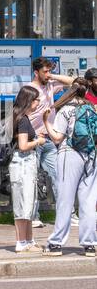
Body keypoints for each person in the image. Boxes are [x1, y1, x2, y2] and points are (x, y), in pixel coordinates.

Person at [44, 82, 97, 256]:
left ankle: (56, 243)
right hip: (92, 155)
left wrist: (46, 122)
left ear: (71, 91)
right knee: (89, 201)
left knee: (65, 200)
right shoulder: (92, 109)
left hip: (70, 154)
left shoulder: (65, 110)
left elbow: (58, 138)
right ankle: (90, 244)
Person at [28, 56, 74, 226]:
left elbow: (73, 81)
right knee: (33, 178)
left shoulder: (50, 86)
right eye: (45, 71)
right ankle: (33, 216)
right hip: (34, 139)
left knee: (59, 176)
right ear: (36, 72)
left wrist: (53, 77)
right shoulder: (29, 89)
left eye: (50, 71)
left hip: (48, 139)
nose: (48, 74)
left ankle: (65, 215)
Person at [8, 84, 46, 253]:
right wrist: (38, 141)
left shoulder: (19, 117)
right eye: (36, 99)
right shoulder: (23, 120)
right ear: (29, 100)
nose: (38, 102)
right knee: (24, 203)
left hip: (22, 163)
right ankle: (21, 242)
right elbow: (23, 145)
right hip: (23, 163)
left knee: (28, 202)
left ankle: (28, 240)